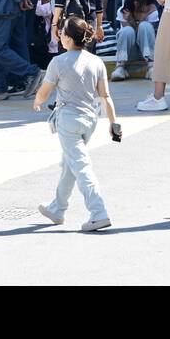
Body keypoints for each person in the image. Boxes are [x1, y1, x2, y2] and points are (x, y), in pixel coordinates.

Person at [32, 16, 119, 232]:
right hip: (90, 120)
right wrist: (113, 123)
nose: (60, 35)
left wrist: (37, 102)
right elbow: (106, 97)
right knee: (70, 163)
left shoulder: (59, 62)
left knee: (80, 166)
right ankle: (58, 207)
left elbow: (45, 90)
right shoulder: (96, 62)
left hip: (68, 121)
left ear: (69, 39)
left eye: (62, 33)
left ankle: (98, 212)